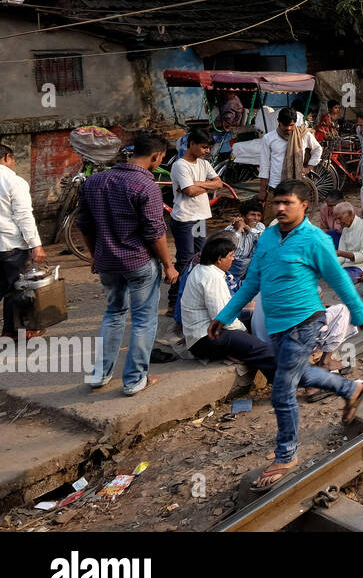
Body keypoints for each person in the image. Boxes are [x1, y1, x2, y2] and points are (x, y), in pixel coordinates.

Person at [209, 180, 363, 490]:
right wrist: (225, 315)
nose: (281, 208)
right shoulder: (270, 236)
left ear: (304, 206)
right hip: (276, 325)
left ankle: (286, 455)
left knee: (282, 389)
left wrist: (361, 313)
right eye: (277, 203)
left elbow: (338, 279)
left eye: (288, 203)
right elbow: (252, 282)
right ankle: (350, 388)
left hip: (304, 323)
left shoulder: (315, 239)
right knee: (297, 375)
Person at [79, 131, 179, 394]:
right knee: (144, 320)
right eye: (161, 159)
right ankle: (135, 379)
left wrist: (94, 255)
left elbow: (84, 225)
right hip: (139, 261)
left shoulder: (94, 181)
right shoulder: (147, 186)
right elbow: (154, 231)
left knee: (113, 313)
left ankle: (100, 374)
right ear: (156, 157)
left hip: (107, 261)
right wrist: (168, 264)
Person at [182, 235, 275, 376]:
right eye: (231, 256)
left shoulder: (203, 270)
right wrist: (244, 333)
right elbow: (222, 319)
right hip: (205, 339)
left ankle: (237, 349)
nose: (234, 259)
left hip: (206, 333)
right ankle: (283, 386)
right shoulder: (211, 277)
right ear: (219, 259)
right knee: (263, 349)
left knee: (257, 318)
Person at [167, 126, 223, 311]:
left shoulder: (204, 164)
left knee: (200, 257)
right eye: (204, 147)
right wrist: (206, 186)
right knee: (185, 259)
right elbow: (189, 192)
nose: (207, 151)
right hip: (184, 219)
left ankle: (192, 296)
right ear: (192, 144)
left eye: (209, 147)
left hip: (200, 218)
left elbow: (219, 183)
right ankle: (174, 301)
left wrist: (198, 184)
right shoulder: (180, 165)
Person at [0, 144, 45, 339]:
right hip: (10, 244)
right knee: (15, 288)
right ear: (7, 157)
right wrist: (36, 245)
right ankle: (13, 331)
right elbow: (23, 215)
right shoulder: (13, 181)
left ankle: (11, 331)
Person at [256, 107, 323, 211]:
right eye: (285, 125)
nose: (288, 128)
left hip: (296, 187)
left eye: (291, 125)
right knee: (271, 221)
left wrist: (309, 168)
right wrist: (262, 189)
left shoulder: (303, 135)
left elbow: (318, 149)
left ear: (295, 123)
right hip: (275, 186)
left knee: (294, 221)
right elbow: (264, 164)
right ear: (279, 122)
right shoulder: (269, 138)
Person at [223, 199, 265, 280]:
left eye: (258, 215)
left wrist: (246, 227)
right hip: (230, 265)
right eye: (252, 215)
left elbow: (263, 240)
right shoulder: (230, 229)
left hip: (247, 267)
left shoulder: (260, 226)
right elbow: (227, 248)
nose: (256, 218)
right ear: (242, 216)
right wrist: (239, 229)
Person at [333, 200, 363, 281]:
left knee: (342, 279)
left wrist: (340, 253)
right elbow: (341, 257)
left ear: (350, 214)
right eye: (336, 219)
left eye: (340, 218)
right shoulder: (345, 228)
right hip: (347, 265)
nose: (338, 222)